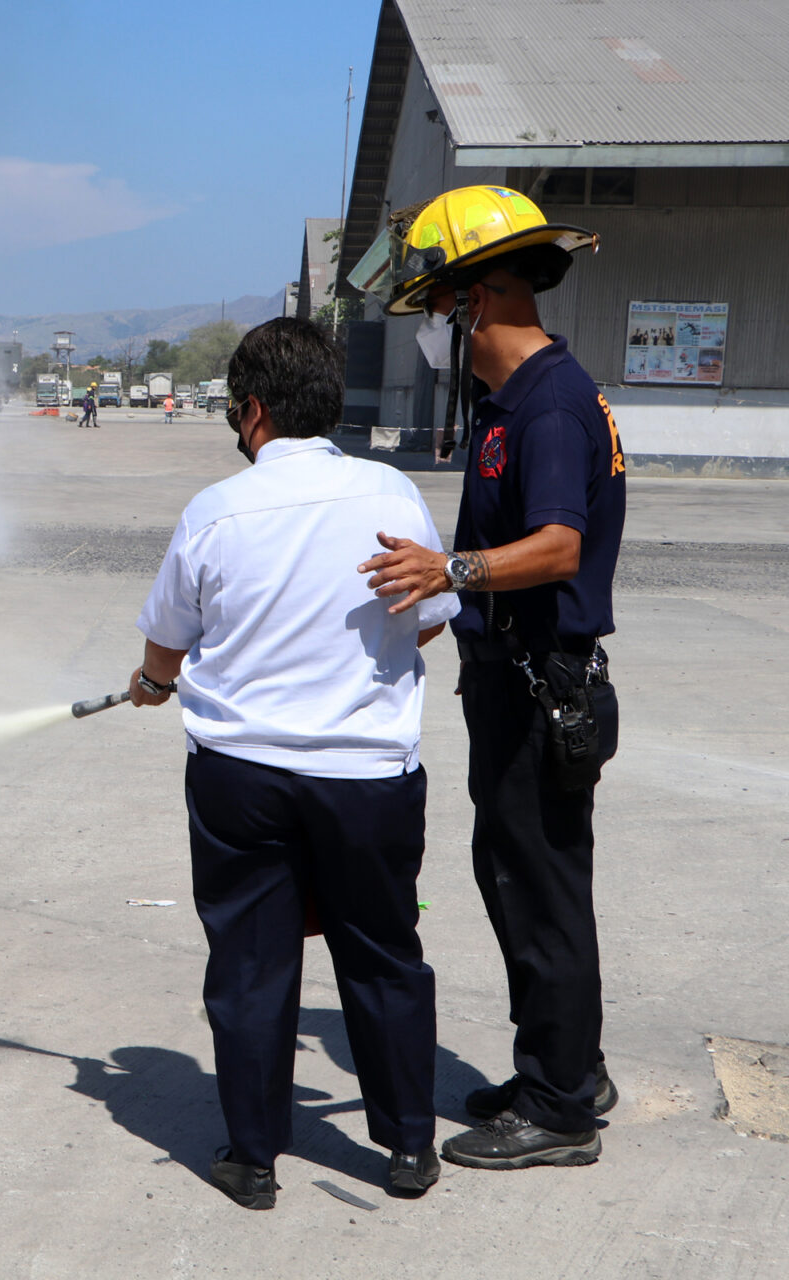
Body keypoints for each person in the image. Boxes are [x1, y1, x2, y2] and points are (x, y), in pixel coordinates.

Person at [130, 317, 460, 1208]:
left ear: (256, 411)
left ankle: (254, 1157)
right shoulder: (392, 492)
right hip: (369, 775)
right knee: (384, 954)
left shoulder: (216, 510)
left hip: (243, 778)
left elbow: (167, 642)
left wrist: (153, 683)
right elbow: (431, 616)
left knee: (250, 961)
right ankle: (407, 1150)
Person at [352, 185, 626, 1171]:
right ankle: (566, 1066)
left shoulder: (549, 405)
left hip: (543, 688)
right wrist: (454, 611)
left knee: (539, 889)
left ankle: (558, 1110)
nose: (434, 327)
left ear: (485, 296)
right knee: (521, 882)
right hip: (512, 675)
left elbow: (557, 546)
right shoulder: (511, 401)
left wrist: (450, 572)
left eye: (439, 304)